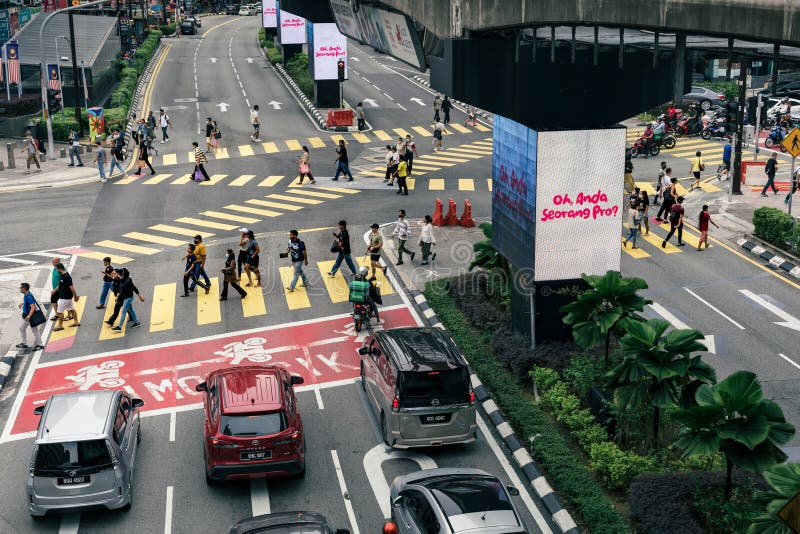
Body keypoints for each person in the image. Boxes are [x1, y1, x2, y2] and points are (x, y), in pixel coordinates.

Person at [17, 282, 44, 351]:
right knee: (22, 328)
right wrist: (22, 303)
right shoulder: (26, 294)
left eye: (21, 288)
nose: (20, 289)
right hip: (27, 317)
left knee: (35, 331)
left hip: (30, 317)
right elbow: (29, 303)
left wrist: (29, 316)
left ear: (24, 289)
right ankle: (24, 343)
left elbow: (33, 308)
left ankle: (40, 345)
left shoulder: (28, 296)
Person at [53, 262, 80, 331]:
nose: (56, 271)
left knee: (59, 312)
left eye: (56, 269)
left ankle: (60, 326)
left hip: (65, 297)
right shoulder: (62, 275)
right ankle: (76, 322)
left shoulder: (67, 277)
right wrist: (55, 290)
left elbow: (72, 288)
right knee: (71, 309)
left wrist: (75, 296)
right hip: (64, 297)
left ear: (59, 269)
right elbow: (60, 284)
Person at [49, 256, 61, 321]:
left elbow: (62, 281)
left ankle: (69, 315)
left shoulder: (61, 269)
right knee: (53, 300)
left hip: (61, 289)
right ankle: (57, 314)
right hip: (55, 289)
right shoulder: (55, 268)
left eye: (53, 262)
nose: (52, 262)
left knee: (65, 303)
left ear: (57, 262)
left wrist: (55, 289)